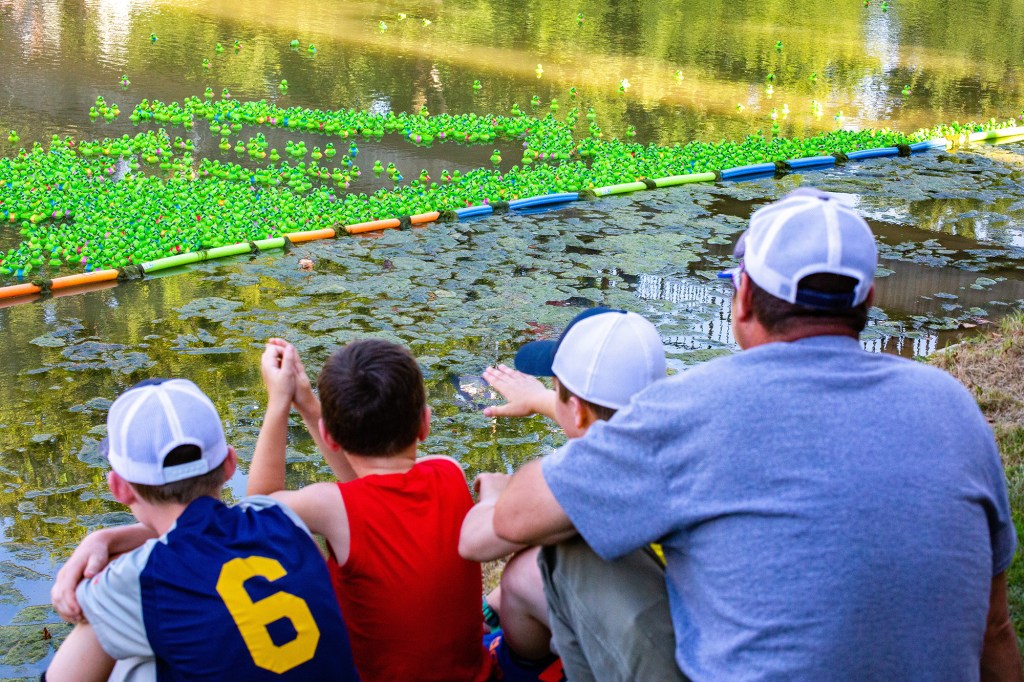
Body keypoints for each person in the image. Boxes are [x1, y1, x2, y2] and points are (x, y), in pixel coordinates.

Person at [492, 187, 1022, 681]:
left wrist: (565, 422)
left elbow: (515, 517)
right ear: (867, 301)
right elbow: (993, 628)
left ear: (742, 297)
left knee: (573, 544)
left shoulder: (690, 409)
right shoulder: (951, 407)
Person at [47, 378, 359, 682]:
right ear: (229, 464)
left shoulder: (137, 579)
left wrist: (103, 549)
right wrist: (106, 538)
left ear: (119, 488)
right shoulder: (283, 517)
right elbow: (213, 524)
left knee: (126, 652)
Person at [247, 338, 493, 682]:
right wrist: (306, 401)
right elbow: (372, 487)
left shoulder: (333, 507)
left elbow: (257, 508)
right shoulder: (448, 470)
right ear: (425, 423)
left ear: (328, 437)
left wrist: (279, 403)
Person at [460, 308, 685, 682]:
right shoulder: (679, 433)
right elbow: (604, 422)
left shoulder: (598, 475)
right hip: (707, 623)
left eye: (556, 388)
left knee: (535, 565)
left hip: (678, 662)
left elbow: (474, 543)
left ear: (576, 410)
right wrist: (542, 400)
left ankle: (518, 669)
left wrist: (495, 496)